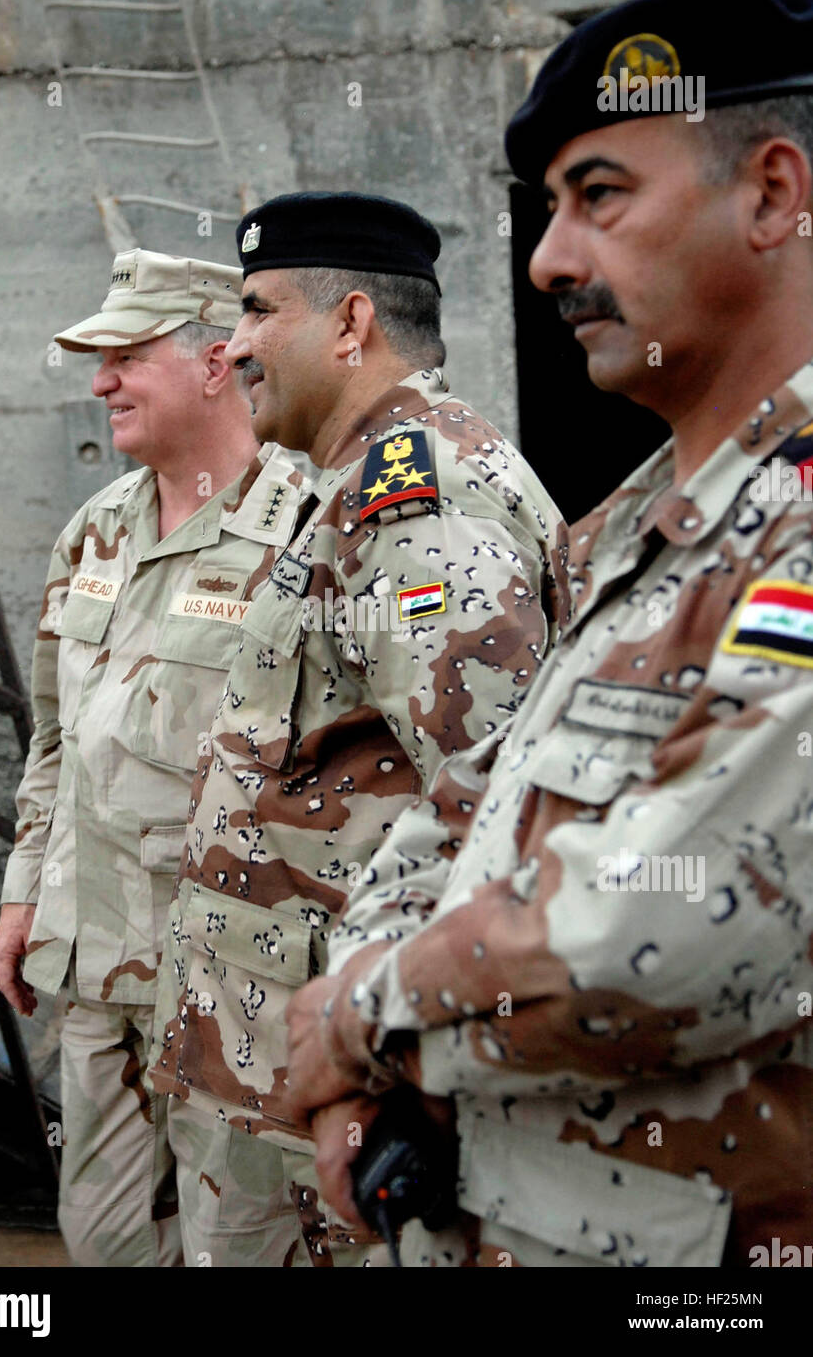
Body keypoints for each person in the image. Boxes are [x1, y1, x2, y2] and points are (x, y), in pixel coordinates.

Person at [287, 0, 813, 1268]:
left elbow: (678, 926)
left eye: (599, 194)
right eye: (547, 209)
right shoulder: (624, 529)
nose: (546, 259)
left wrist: (360, 1016)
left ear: (770, 193)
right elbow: (461, 809)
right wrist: (372, 1072)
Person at [148, 191, 569, 1266]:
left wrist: (374, 1081)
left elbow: (502, 822)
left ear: (349, 324)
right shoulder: (337, 481)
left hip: (337, 1114)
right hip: (271, 1075)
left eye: (253, 312)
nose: (232, 346)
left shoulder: (420, 504)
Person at [0, 248, 313, 1266]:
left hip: (233, 985)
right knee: (106, 1243)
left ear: (217, 362)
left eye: (125, 355)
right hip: (95, 971)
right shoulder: (95, 531)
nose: (100, 382)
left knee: (239, 1249)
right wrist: (21, 894)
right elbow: (54, 737)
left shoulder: (306, 526)